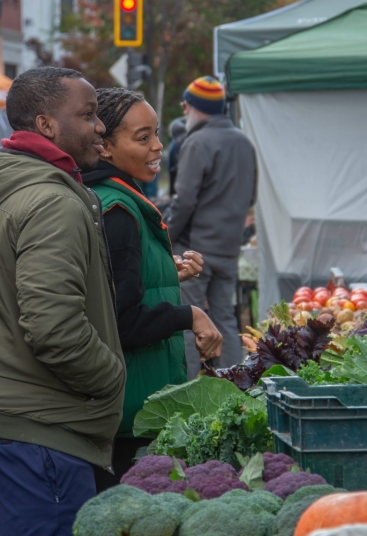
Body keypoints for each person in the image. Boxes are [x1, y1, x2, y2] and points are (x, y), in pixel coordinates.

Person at [0, 67, 126, 536]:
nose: (99, 126)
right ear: (45, 125)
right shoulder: (51, 201)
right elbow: (54, 327)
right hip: (31, 432)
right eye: (87, 114)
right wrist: (112, 377)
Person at [83, 88, 224, 488]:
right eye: (142, 138)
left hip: (132, 404)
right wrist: (190, 315)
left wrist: (165, 272)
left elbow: (119, 283)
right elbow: (120, 319)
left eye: (156, 134)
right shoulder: (117, 209)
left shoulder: (116, 199)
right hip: (129, 412)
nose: (158, 146)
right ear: (106, 147)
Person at [167, 76, 257, 375]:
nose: (183, 111)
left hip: (196, 250)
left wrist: (167, 237)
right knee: (225, 320)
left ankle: (189, 389)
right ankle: (237, 384)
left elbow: (184, 201)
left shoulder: (198, 142)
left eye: (184, 105)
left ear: (193, 107)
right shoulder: (244, 142)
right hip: (229, 248)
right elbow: (252, 195)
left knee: (189, 323)